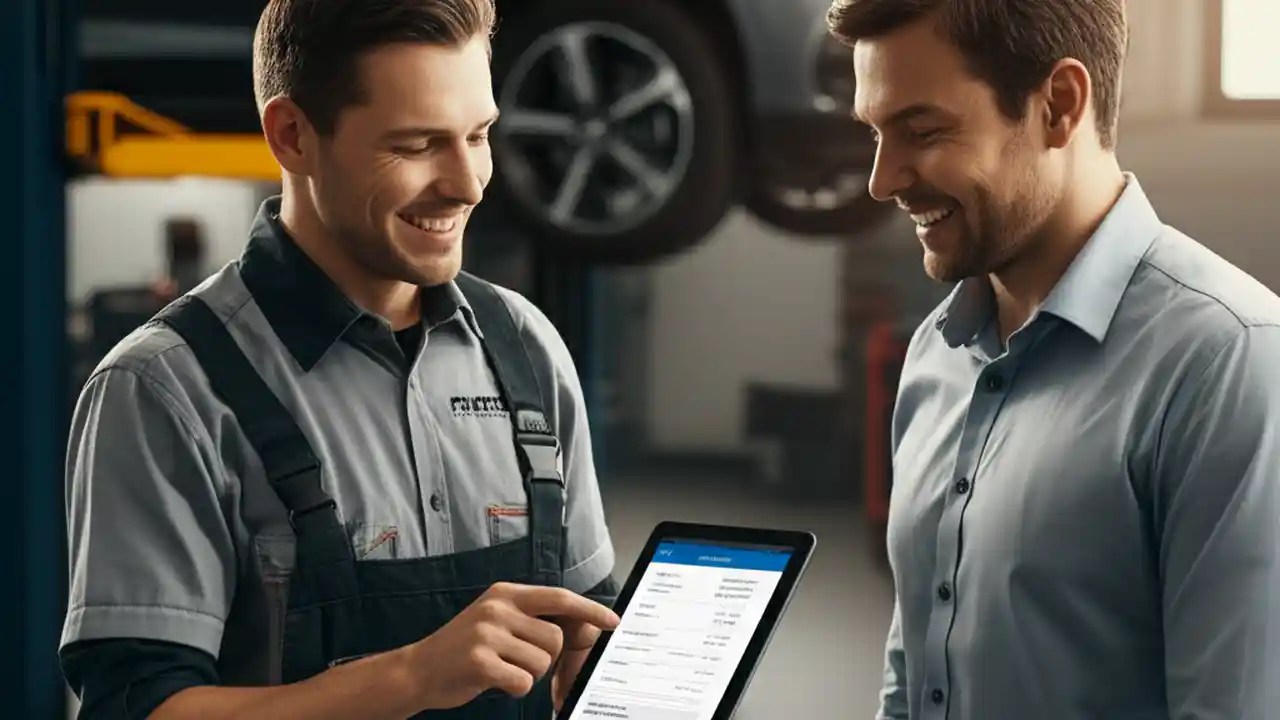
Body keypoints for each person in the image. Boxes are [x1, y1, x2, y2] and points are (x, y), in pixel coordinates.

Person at [58, 1, 621, 718]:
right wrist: (411, 678)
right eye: (418, 146)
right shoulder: (166, 390)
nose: (469, 183)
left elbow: (587, 618)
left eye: (478, 135)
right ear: (293, 136)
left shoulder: (525, 347)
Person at [826, 0, 1280, 718]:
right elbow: (912, 677)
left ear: (1059, 105)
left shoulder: (1229, 362)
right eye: (877, 134)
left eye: (922, 130)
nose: (883, 180)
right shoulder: (933, 360)